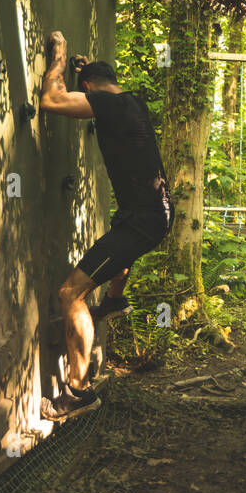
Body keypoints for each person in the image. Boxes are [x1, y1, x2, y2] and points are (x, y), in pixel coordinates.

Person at [37, 31, 173, 419]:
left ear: (88, 89)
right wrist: (85, 69)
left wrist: (59, 62)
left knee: (70, 294)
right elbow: (100, 92)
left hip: (141, 221)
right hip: (152, 213)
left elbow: (51, 101)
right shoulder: (130, 103)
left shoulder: (110, 105)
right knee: (119, 246)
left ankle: (78, 392)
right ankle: (115, 300)